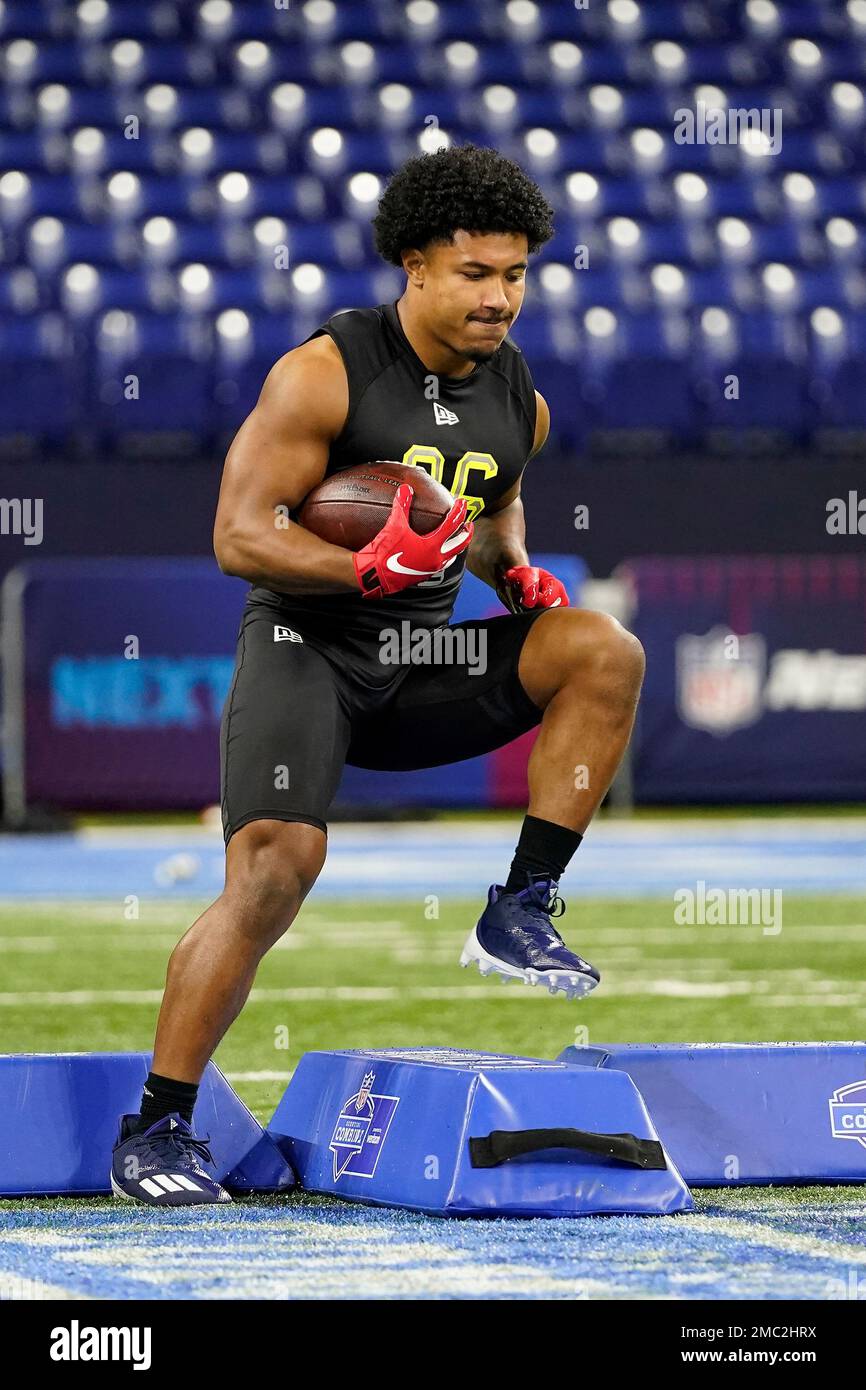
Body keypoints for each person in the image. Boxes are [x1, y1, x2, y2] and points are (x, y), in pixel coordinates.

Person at [111, 144, 645, 1205]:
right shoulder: (324, 371)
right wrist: (358, 563)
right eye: (475, 273)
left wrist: (513, 572)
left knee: (601, 649)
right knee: (273, 868)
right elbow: (237, 534)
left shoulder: (518, 393)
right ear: (413, 263)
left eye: (515, 275)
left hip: (423, 654)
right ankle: (157, 1128)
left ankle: (522, 902)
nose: (499, 298)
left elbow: (489, 501)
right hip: (308, 645)